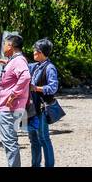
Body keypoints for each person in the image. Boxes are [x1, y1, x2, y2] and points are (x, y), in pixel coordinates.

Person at [0, 34, 32, 166]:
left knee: (9, 141)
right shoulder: (15, 60)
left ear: (10, 45)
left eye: (4, 44)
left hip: (10, 107)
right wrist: (1, 61)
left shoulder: (18, 61)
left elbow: (25, 77)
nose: (3, 47)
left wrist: (13, 95)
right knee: (9, 140)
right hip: (10, 107)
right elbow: (14, 67)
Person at [26, 38, 60, 167]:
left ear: (40, 52)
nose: (33, 51)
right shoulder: (35, 66)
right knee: (33, 139)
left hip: (41, 109)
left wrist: (36, 88)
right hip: (30, 109)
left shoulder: (50, 67)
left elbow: (53, 87)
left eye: (35, 49)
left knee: (44, 139)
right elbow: (21, 66)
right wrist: (5, 62)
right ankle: (35, 165)